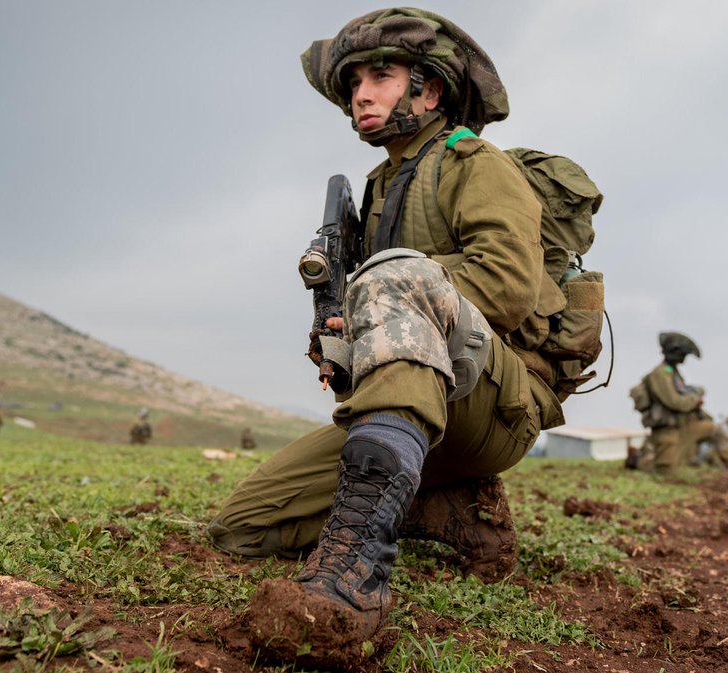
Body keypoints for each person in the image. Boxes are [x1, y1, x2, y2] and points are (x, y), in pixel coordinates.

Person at [207, 9, 590, 665]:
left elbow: (506, 285)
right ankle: (441, 505)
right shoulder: (382, 188)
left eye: (381, 74)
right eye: (353, 79)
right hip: (419, 412)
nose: (361, 92)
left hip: (497, 402)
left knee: (396, 275)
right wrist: (341, 331)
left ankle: (353, 575)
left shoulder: (474, 163)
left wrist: (383, 286)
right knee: (239, 528)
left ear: (429, 89)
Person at [637, 332, 712, 476]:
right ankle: (637, 461)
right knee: (664, 470)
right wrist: (695, 399)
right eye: (683, 354)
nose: (684, 358)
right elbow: (675, 402)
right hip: (666, 429)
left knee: (712, 429)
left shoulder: (672, 372)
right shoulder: (660, 373)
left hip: (678, 426)